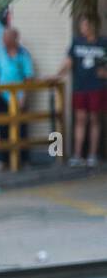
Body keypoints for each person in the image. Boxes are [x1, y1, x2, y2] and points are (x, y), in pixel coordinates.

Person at [55, 14, 107, 167]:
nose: (84, 28)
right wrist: (56, 75)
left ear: (93, 26)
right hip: (80, 87)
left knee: (94, 119)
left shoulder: (102, 43)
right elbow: (68, 62)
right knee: (80, 119)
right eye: (82, 25)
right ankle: (77, 154)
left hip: (96, 87)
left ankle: (92, 154)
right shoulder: (76, 43)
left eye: (87, 25)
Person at [0, 27, 35, 165]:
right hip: (2, 96)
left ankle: (22, 158)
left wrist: (24, 97)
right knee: (3, 128)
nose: (4, 41)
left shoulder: (23, 54)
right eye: (4, 38)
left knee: (20, 128)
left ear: (14, 39)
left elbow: (28, 77)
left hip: (18, 97)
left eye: (7, 38)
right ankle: (4, 159)